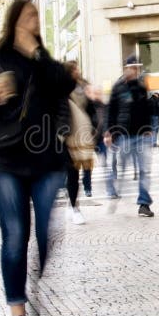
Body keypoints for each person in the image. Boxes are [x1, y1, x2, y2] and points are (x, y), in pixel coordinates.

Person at [0, 0, 74, 316]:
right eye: (29, 16)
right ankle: (18, 315)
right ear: (14, 22)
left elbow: (65, 87)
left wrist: (38, 55)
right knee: (15, 235)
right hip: (5, 161)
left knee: (44, 232)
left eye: (37, 17)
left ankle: (35, 278)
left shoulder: (46, 63)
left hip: (46, 158)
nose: (35, 22)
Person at [106, 54, 157, 217]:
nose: (134, 70)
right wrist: (109, 132)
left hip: (142, 135)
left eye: (136, 68)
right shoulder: (118, 87)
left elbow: (146, 107)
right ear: (125, 68)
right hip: (125, 135)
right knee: (122, 169)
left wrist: (149, 127)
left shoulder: (140, 85)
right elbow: (111, 111)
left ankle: (144, 204)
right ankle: (115, 194)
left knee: (144, 170)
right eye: (131, 67)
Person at [63, 61, 97, 225]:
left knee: (85, 168)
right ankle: (74, 207)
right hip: (67, 135)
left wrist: (95, 126)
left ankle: (72, 202)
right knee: (72, 172)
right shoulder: (61, 87)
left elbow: (92, 108)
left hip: (84, 133)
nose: (78, 71)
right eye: (75, 69)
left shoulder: (83, 86)